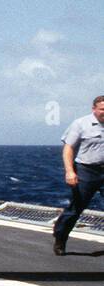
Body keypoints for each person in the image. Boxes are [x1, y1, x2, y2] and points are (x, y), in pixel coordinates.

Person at [51, 95, 104, 255]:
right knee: (76, 208)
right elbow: (68, 148)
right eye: (102, 109)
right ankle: (60, 237)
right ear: (94, 109)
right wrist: (69, 171)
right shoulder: (81, 124)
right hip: (86, 170)